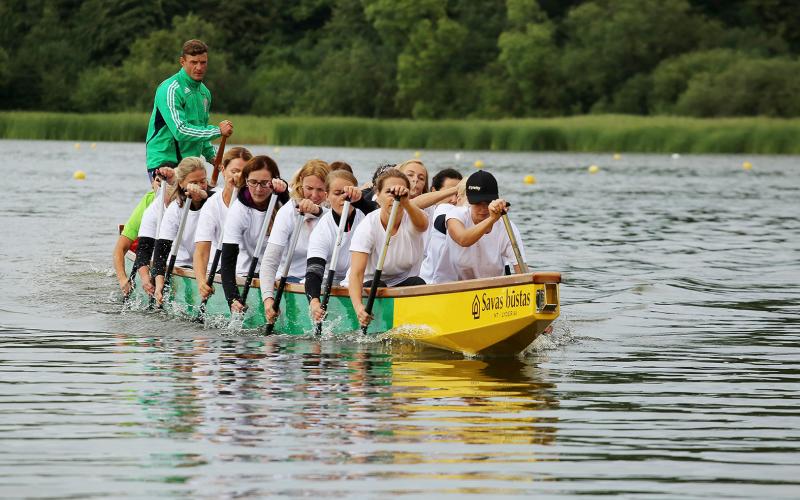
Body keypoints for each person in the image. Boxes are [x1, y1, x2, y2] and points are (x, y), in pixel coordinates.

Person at [346, 168, 429, 328]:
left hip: (402, 282)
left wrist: (405, 202)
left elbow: (423, 225)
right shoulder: (368, 226)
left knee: (418, 282)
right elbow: (356, 274)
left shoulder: (414, 217)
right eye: (389, 192)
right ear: (378, 196)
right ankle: (377, 322)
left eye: (400, 192)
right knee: (379, 287)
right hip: (370, 283)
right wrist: (358, 308)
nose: (395, 198)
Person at [145, 39, 233, 181]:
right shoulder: (170, 89)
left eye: (203, 62)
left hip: (189, 164)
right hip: (164, 161)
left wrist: (214, 157)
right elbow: (180, 131)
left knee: (200, 200)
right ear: (182, 62)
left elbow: (201, 132)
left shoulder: (205, 93)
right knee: (175, 202)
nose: (199, 67)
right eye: (193, 62)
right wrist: (217, 131)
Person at [259, 160, 331, 324]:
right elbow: (270, 261)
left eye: (320, 189)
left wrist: (318, 211)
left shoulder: (334, 209)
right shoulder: (288, 212)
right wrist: (268, 300)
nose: (314, 195)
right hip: (291, 278)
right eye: (309, 189)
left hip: (327, 280)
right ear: (300, 185)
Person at [220, 156, 289, 313]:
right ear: (246, 181)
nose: (258, 189)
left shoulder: (284, 197)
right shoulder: (238, 210)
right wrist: (232, 297)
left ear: (274, 181)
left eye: (265, 183)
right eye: (253, 182)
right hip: (249, 272)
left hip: (283, 273)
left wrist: (283, 194)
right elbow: (228, 259)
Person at [436, 170, 521, 283]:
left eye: (487, 202)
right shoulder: (456, 215)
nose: (483, 208)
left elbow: (521, 270)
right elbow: (463, 239)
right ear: (469, 201)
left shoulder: (507, 227)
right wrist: (492, 219)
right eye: (477, 203)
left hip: (490, 291)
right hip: (449, 288)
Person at [305, 170, 365, 322]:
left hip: (359, 280)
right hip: (328, 282)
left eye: (348, 193)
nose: (343, 198)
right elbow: (314, 270)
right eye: (337, 193)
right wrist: (314, 301)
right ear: (327, 196)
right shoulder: (322, 229)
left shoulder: (366, 217)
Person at [193, 147, 252, 301]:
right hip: (220, 269)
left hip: (250, 271)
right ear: (223, 170)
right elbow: (201, 251)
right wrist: (201, 282)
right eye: (234, 171)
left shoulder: (257, 202)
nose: (238, 176)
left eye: (244, 173)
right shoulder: (212, 204)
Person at [151, 157, 211, 304]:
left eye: (203, 181)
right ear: (182, 183)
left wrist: (203, 196)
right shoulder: (175, 209)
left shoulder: (215, 199)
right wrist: (159, 286)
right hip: (181, 263)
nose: (199, 186)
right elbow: (161, 253)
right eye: (193, 183)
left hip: (209, 264)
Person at [113, 170, 170, 295]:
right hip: (150, 248)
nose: (162, 186)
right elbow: (120, 249)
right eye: (158, 181)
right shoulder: (148, 203)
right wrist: (123, 279)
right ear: (152, 183)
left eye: (166, 182)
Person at [419, 168, 463, 282]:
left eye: (458, 194)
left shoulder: (459, 211)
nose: (454, 199)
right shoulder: (431, 208)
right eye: (450, 192)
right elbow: (412, 203)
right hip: (427, 280)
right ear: (434, 191)